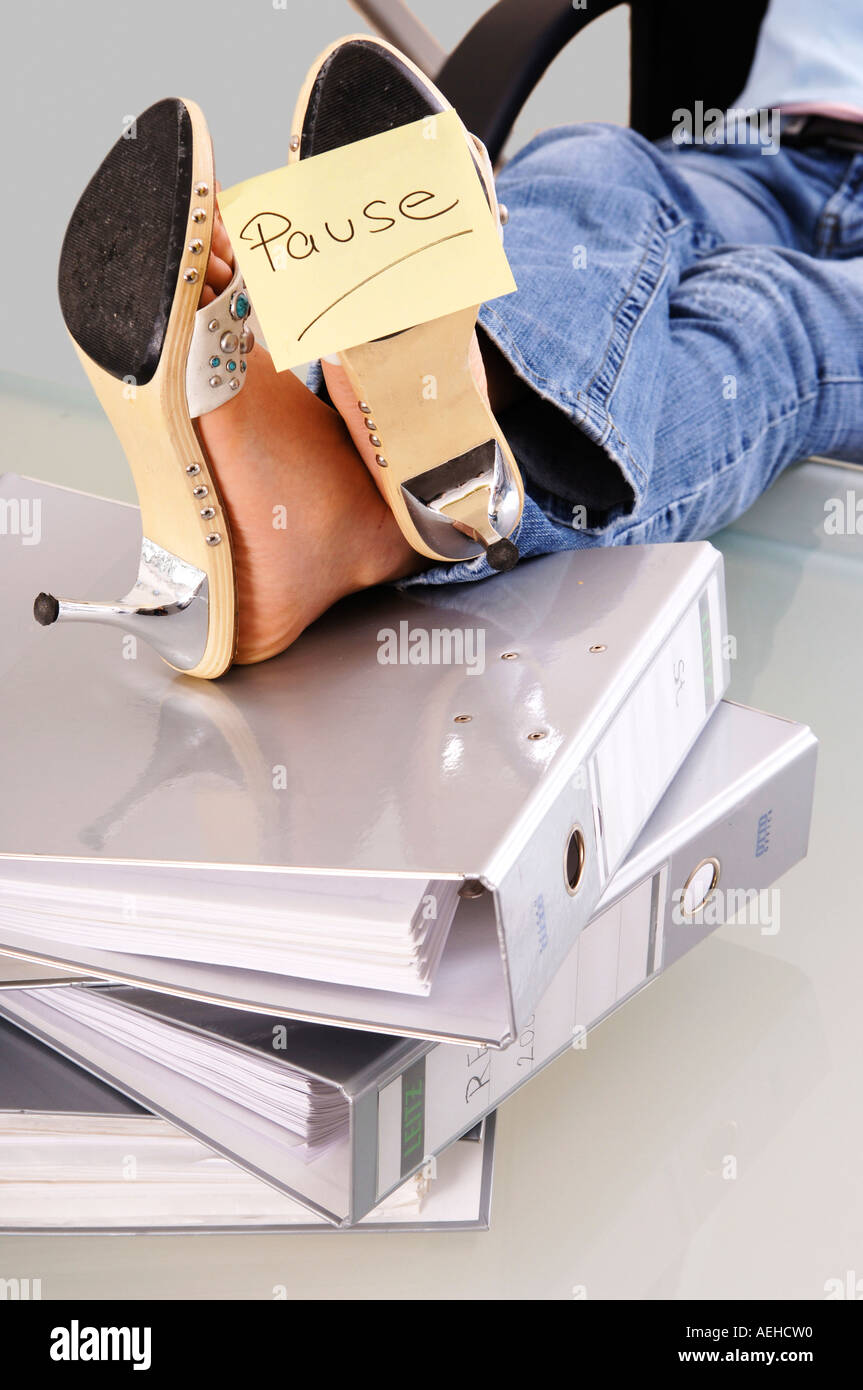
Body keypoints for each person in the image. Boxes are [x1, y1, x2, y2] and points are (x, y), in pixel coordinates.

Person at [49, 1, 863, 669]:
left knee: (770, 308)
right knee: (583, 165)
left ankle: (343, 492)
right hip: (760, 150)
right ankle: (423, 433)